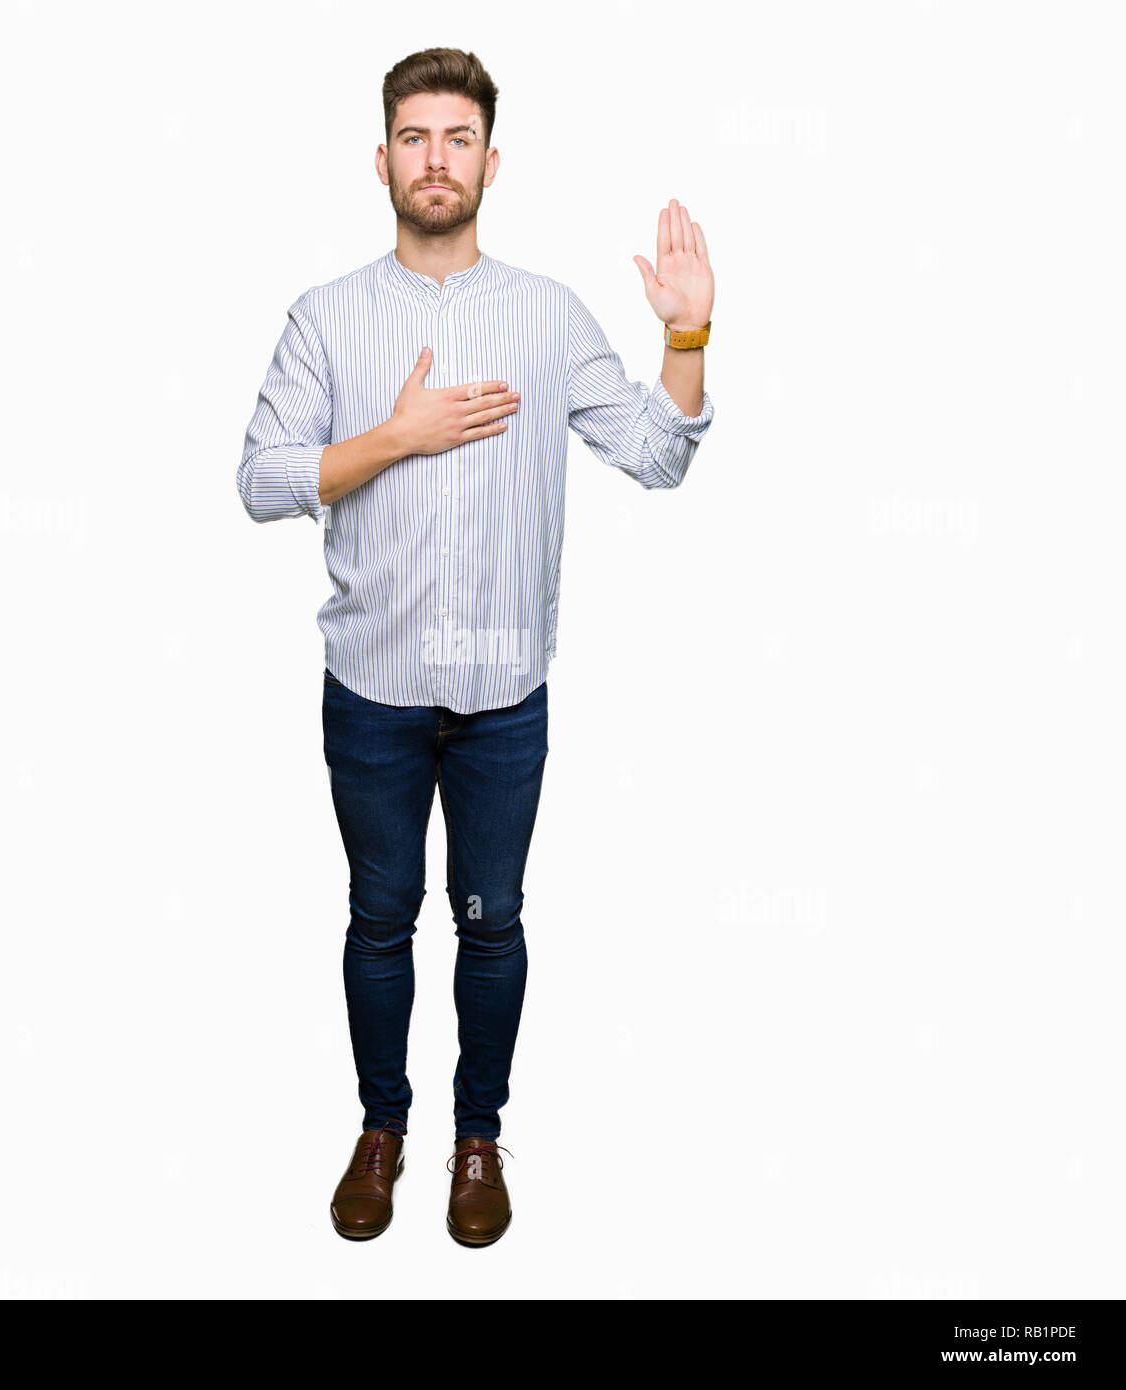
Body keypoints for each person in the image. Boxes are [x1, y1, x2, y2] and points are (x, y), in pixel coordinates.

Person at [235, 47, 716, 1246]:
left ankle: (478, 1135)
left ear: (491, 162)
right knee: (379, 917)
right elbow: (258, 480)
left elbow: (657, 456)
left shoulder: (548, 316)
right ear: (382, 158)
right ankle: (382, 1127)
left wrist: (690, 331)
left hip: (505, 693)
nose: (435, 159)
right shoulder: (327, 317)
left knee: (492, 918)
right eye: (415, 138)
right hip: (373, 691)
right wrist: (392, 436)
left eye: (458, 139)